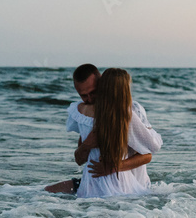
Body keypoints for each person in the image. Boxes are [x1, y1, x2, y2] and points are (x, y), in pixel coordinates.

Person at [44, 65, 162, 197]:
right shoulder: (84, 113)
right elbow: (79, 159)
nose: (89, 99)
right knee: (46, 192)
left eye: (93, 92)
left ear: (102, 85)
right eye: (84, 96)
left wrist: (112, 168)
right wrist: (88, 144)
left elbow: (147, 154)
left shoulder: (131, 110)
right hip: (96, 179)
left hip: (129, 182)